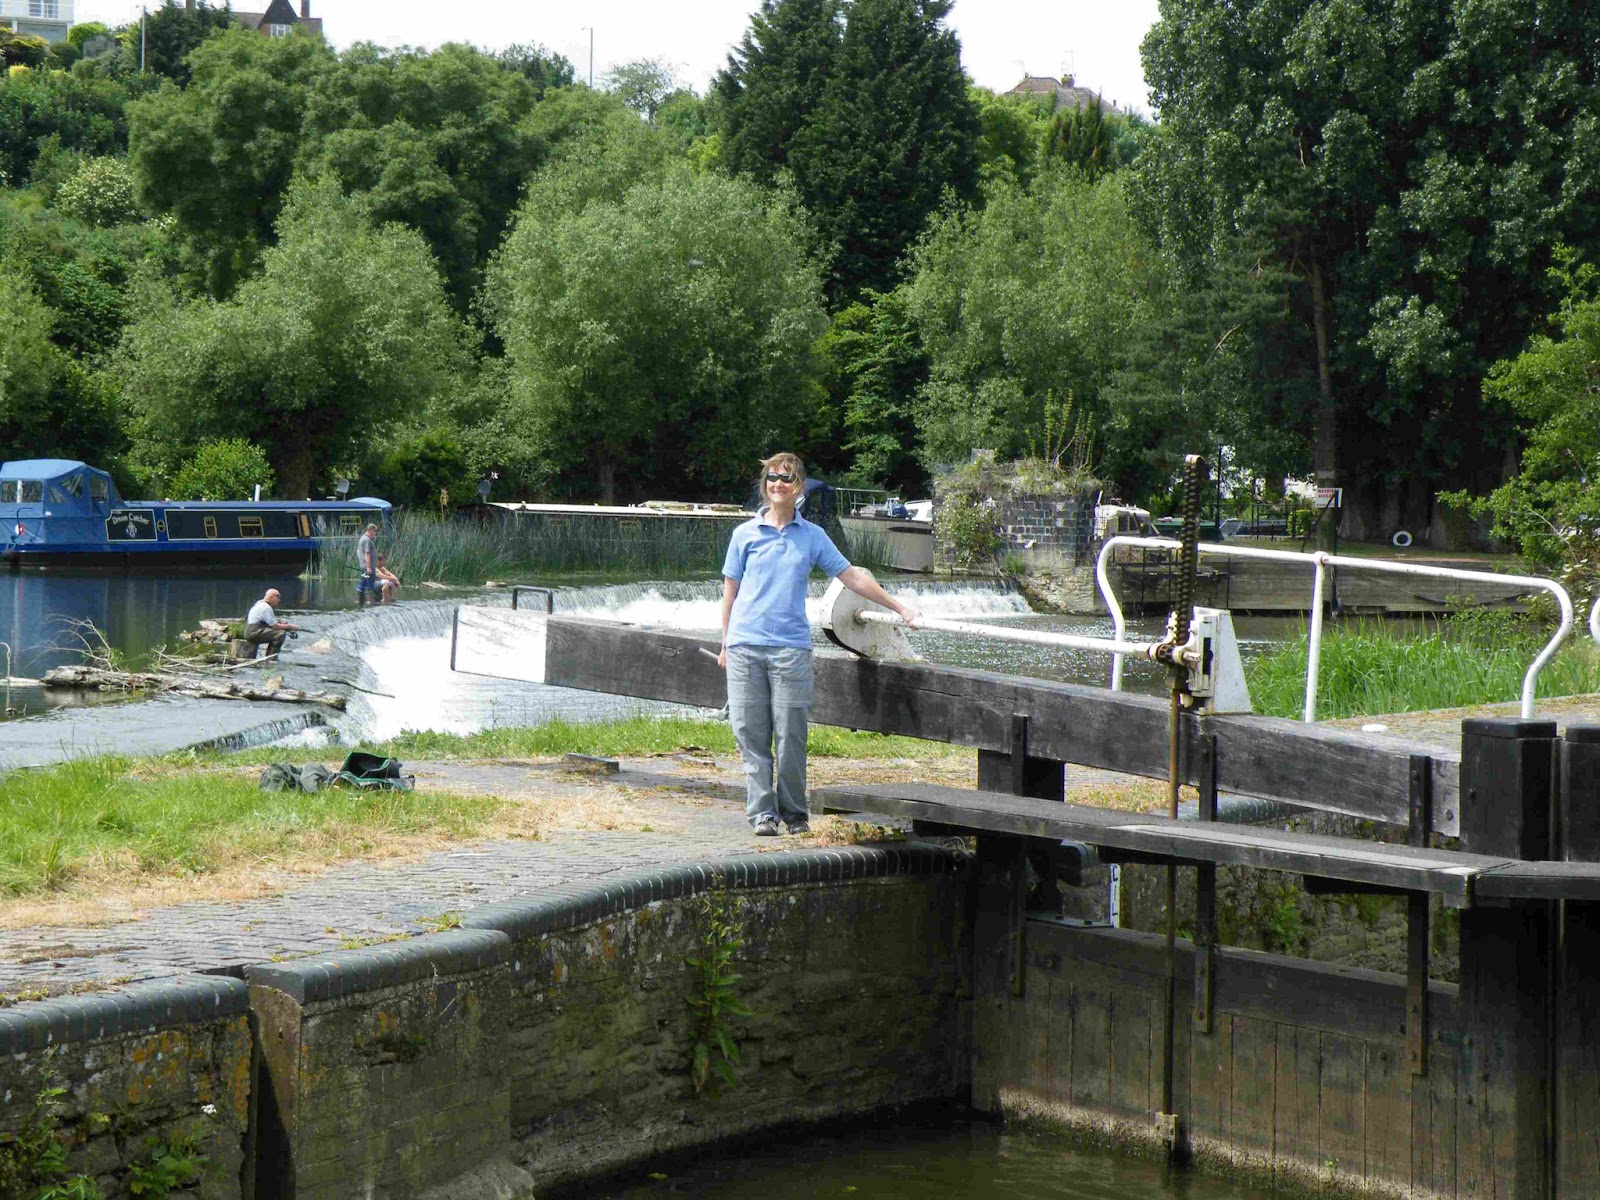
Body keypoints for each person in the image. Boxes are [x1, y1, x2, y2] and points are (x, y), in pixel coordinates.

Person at [719, 452, 920, 836]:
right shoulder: (743, 535)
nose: (777, 484)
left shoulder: (812, 536)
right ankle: (762, 814)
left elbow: (853, 578)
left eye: (786, 478)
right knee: (751, 735)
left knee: (791, 735)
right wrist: (726, 643)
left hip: (791, 650)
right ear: (766, 485)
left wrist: (899, 606)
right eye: (772, 478)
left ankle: (794, 813)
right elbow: (729, 594)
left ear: (799, 488)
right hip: (745, 647)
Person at [244, 588, 300, 659]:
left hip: (250, 631)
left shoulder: (260, 603)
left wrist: (282, 624)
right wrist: (290, 627)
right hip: (253, 632)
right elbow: (275, 626)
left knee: (279, 631)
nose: (279, 600)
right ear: (271, 597)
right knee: (280, 634)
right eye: (278, 597)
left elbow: (269, 622)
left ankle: (268, 657)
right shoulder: (266, 608)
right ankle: (271, 659)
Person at [355, 523, 379, 605]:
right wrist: (368, 567)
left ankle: (361, 603)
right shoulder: (367, 540)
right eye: (375, 531)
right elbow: (367, 553)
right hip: (368, 568)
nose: (376, 533)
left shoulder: (363, 538)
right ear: (371, 530)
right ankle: (370, 604)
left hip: (364, 567)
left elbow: (358, 552)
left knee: (363, 584)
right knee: (369, 586)